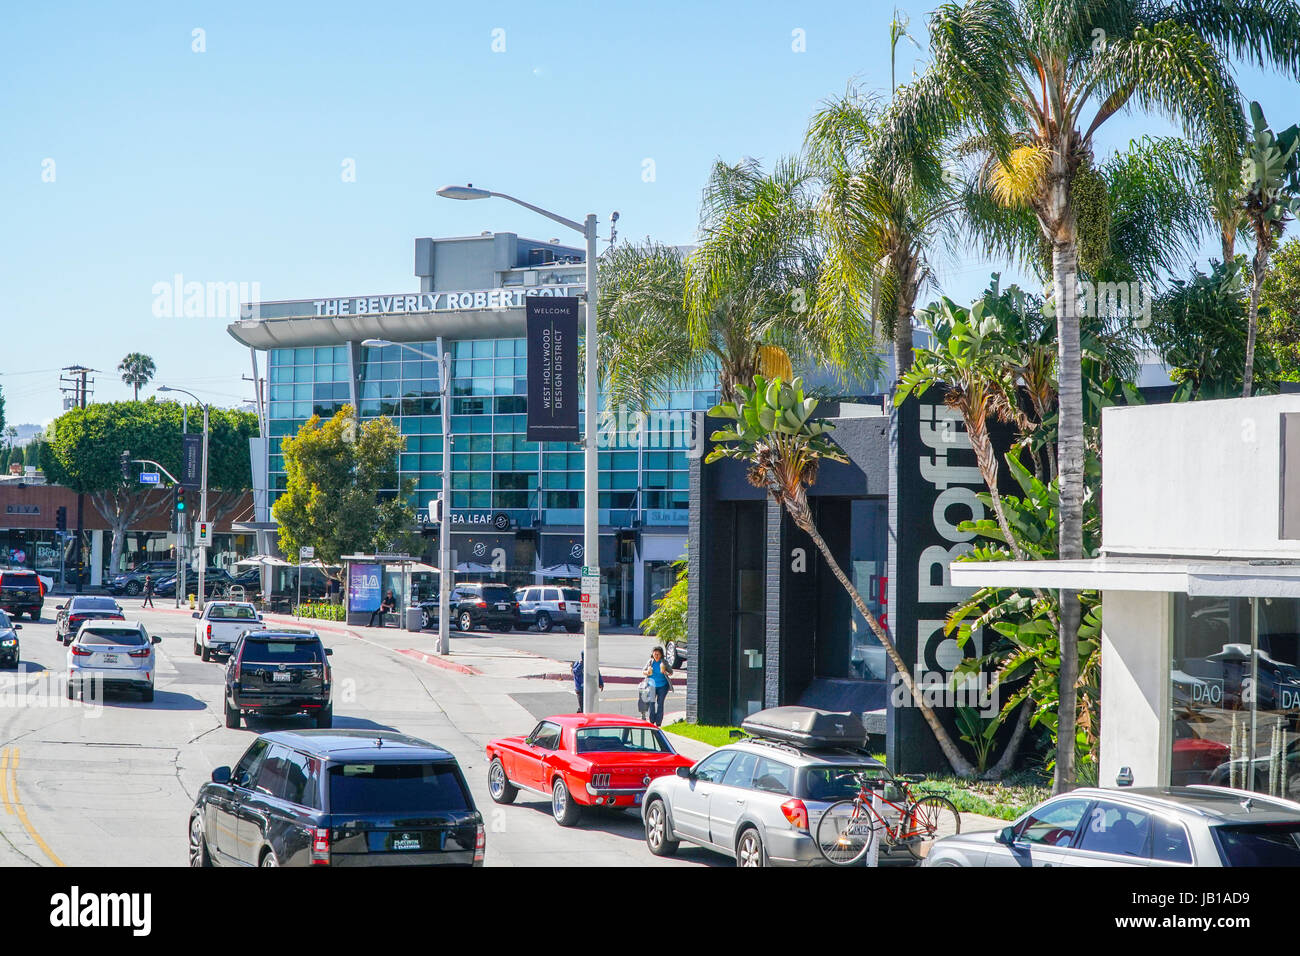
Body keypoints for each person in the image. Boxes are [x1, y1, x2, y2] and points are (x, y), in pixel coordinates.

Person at [643, 646, 673, 726]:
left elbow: (671, 672)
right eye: (654, 654)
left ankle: (658, 722)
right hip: (651, 685)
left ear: (661, 655)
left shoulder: (664, 662)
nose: (656, 655)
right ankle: (652, 720)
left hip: (662, 686)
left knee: (660, 703)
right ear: (652, 654)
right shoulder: (650, 662)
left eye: (658, 654)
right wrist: (647, 672)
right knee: (651, 703)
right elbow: (643, 671)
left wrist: (665, 671)